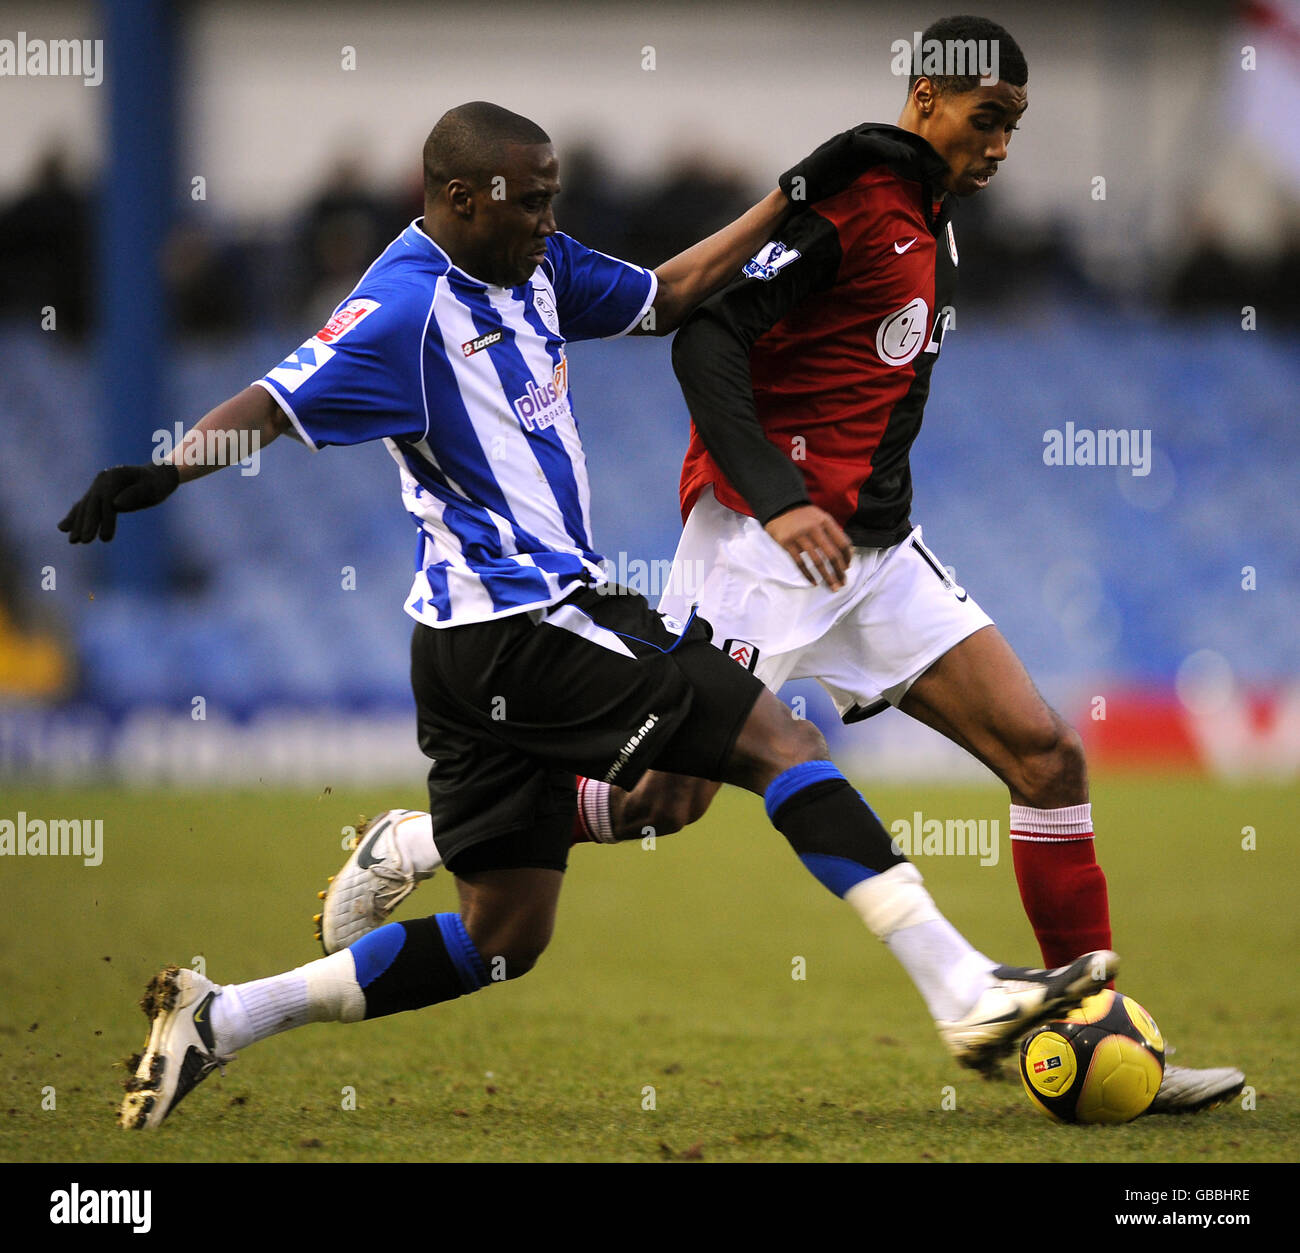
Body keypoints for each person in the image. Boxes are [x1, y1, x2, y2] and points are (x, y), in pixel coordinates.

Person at [61, 101, 1115, 1130]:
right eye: (530, 203)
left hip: (473, 653)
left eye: (556, 199)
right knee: (775, 739)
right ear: (461, 198)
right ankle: (963, 989)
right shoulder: (400, 310)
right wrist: (155, 472)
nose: (550, 222)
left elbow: (669, 294)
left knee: (503, 937)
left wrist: (784, 195)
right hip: (522, 622)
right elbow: (272, 401)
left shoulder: (536, 266)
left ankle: (226, 1013)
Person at [316, 17, 1244, 1118]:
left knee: (1046, 754)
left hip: (874, 552)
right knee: (667, 796)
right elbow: (705, 336)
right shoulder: (850, 209)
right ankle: (425, 836)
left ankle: (1102, 1030)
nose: (999, 145)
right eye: (985, 118)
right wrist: (779, 493)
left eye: (1014, 126)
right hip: (762, 544)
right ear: (925, 101)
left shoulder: (933, 224)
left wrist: (851, 514)